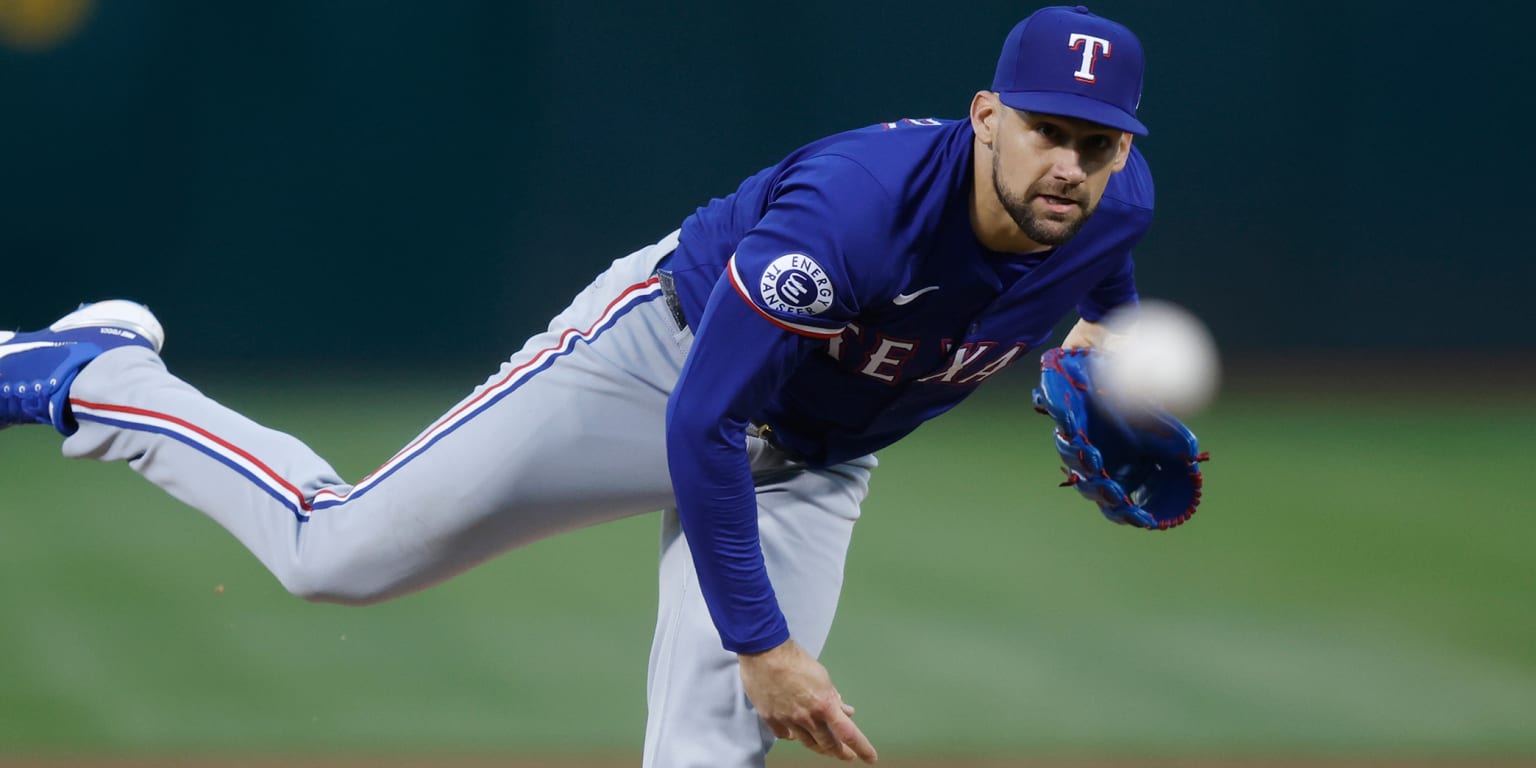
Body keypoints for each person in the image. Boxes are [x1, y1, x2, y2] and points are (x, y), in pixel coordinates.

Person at [0, 6, 1155, 766]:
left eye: (1097, 145)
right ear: (987, 116)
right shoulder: (853, 220)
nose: (1071, 165)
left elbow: (1108, 276)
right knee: (335, 556)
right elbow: (705, 422)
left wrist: (1116, 344)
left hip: (818, 457)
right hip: (657, 366)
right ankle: (105, 376)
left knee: (712, 752)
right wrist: (760, 641)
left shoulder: (1117, 201)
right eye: (1048, 131)